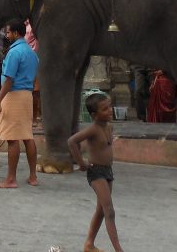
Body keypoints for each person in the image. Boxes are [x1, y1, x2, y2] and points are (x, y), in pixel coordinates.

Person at [68, 92, 125, 252]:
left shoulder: (109, 127)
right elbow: (72, 141)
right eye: (105, 109)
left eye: (109, 106)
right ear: (94, 115)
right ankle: (118, 249)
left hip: (108, 172)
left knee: (101, 210)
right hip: (96, 173)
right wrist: (81, 163)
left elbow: (105, 145)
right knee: (109, 211)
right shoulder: (92, 129)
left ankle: (89, 244)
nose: (110, 110)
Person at [0, 18, 39, 189]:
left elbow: (9, 80)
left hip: (13, 95)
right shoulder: (32, 52)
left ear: (16, 33)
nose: (6, 35)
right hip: (27, 95)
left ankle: (11, 179)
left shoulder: (14, 52)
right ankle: (33, 176)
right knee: (28, 136)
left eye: (8, 32)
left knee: (13, 139)